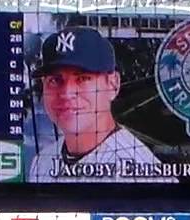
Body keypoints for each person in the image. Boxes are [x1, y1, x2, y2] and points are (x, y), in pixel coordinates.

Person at [28, 25, 166, 183]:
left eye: (83, 78)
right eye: (55, 80)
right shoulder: (42, 162)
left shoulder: (141, 173)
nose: (67, 94)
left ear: (113, 84)